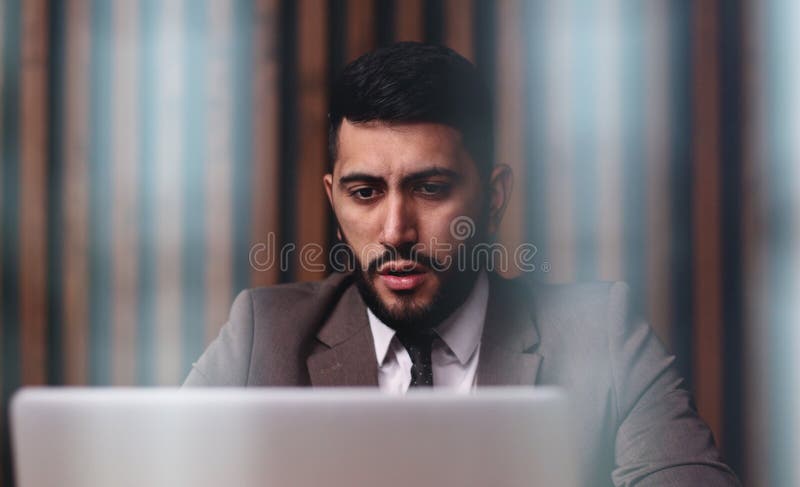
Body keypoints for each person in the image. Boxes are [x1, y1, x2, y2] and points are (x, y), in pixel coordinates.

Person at [184, 42, 739, 486]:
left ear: (493, 197)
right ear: (334, 202)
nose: (396, 230)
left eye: (430, 188)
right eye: (365, 192)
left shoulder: (603, 336)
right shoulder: (262, 336)